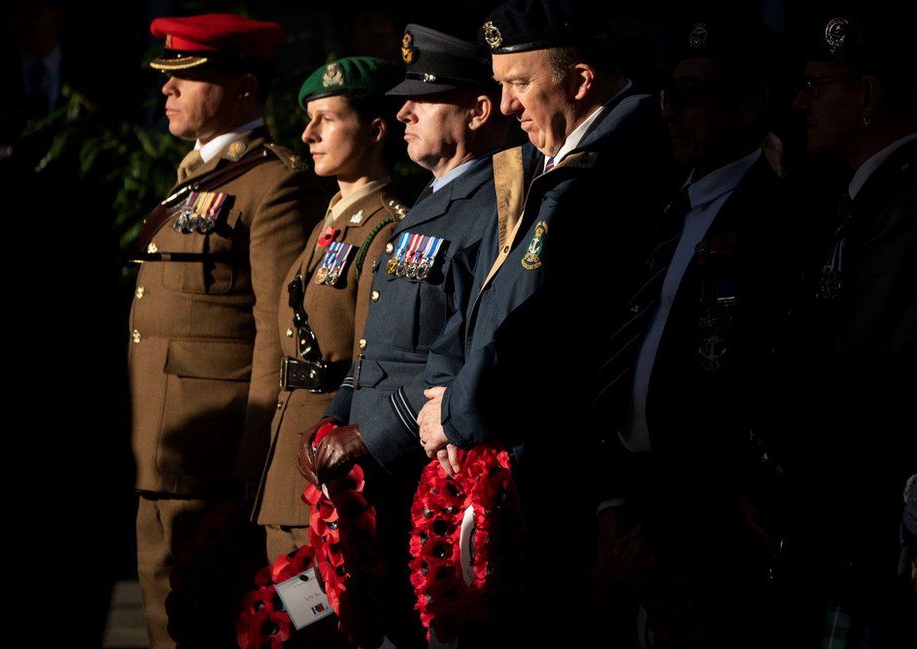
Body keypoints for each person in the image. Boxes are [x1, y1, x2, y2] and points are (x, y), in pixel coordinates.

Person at [414, 1, 674, 642]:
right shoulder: (544, 161)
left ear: (581, 81)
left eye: (519, 83)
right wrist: (444, 391)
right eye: (499, 85)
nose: (504, 105)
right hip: (504, 450)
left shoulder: (619, 166)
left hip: (569, 471)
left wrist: (455, 412)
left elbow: (552, 324)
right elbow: (481, 299)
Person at [589, 17, 808, 648]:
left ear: (749, 106)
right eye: (667, 95)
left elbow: (763, 377)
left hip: (715, 516)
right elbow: (622, 353)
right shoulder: (659, 205)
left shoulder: (782, 215)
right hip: (636, 499)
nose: (671, 111)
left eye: (693, 94)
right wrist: (611, 502)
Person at [296, 24, 509, 647]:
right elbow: (377, 343)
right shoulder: (430, 200)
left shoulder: (490, 207)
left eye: (425, 97)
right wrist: (334, 417)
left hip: (417, 468)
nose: (404, 110)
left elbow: (464, 350)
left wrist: (371, 430)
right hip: (368, 473)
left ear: (478, 109)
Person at [128, 13, 324, 648]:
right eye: (167, 78)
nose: (168, 90)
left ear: (243, 87)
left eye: (188, 77)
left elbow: (278, 331)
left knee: (206, 624)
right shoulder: (197, 177)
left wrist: (253, 461)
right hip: (166, 449)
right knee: (170, 622)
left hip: (215, 460)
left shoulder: (275, 185)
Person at [771, 7, 916, 646]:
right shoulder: (860, 195)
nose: (800, 104)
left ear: (867, 95)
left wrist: (787, 480)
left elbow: (865, 364)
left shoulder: (906, 201)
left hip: (864, 510)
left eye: (817, 87)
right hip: (835, 506)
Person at [253, 56, 407, 562]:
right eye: (309, 119)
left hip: (334, 464)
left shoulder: (386, 227)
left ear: (377, 130)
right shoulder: (331, 223)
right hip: (291, 455)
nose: (309, 134)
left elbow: (372, 361)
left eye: (329, 119)